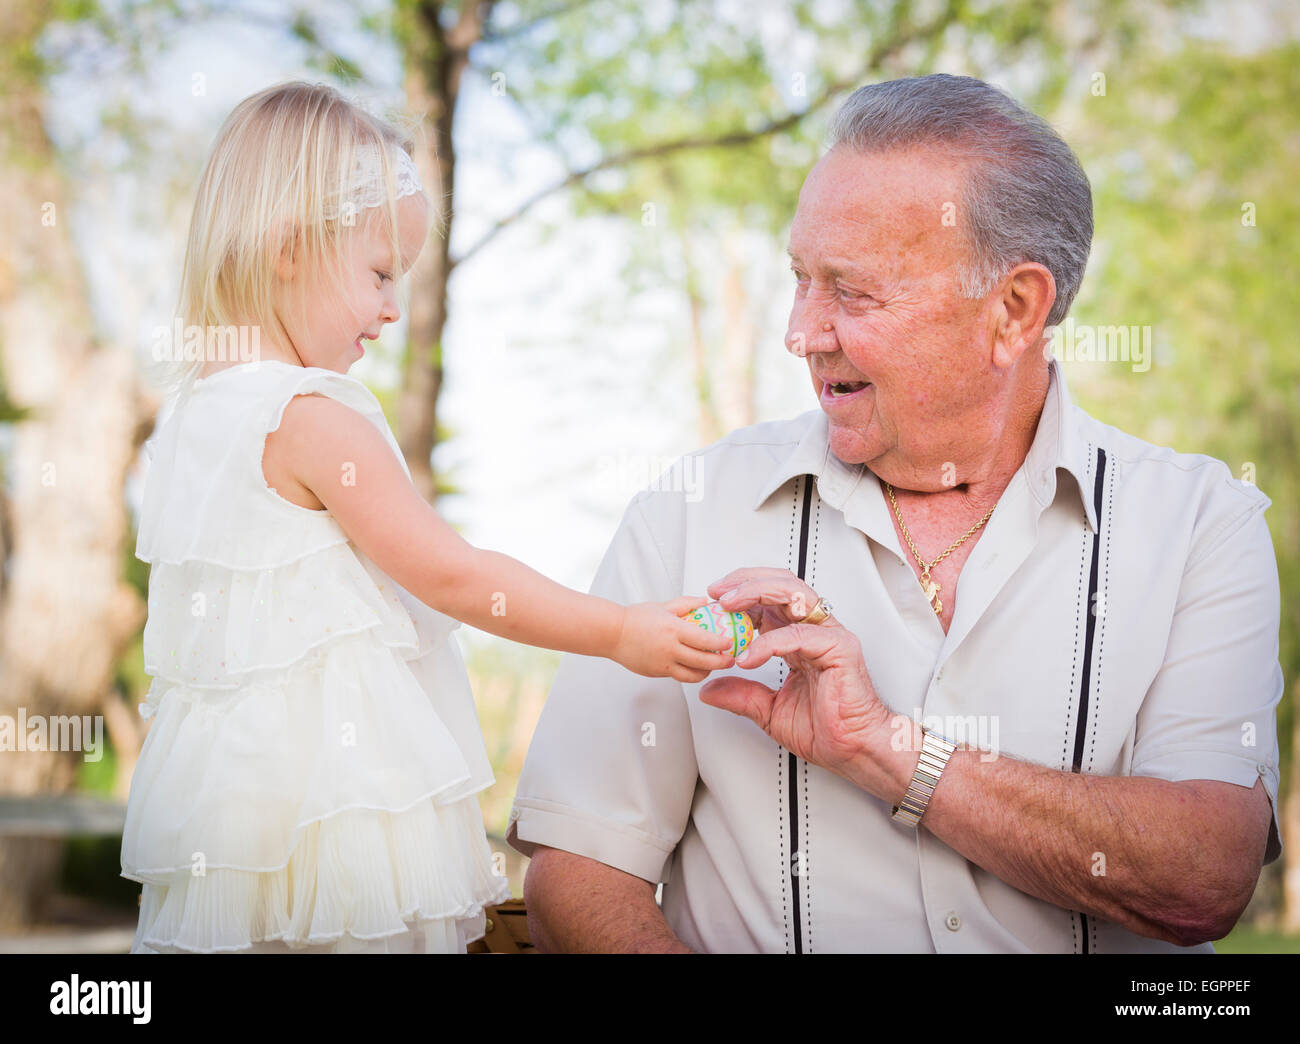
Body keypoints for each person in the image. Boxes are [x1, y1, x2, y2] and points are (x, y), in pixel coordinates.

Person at [508, 74, 1284, 953]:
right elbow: (578, 871)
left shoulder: (1201, 525)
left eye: (853, 291)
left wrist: (887, 751)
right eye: (801, 278)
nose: (802, 330)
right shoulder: (690, 509)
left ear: (1014, 311)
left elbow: (1204, 879)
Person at [121, 81, 738, 954]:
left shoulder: (191, 418)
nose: (392, 310)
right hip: (336, 824)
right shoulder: (311, 411)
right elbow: (454, 577)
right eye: (379, 273)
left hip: (230, 826)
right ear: (290, 248)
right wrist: (619, 630)